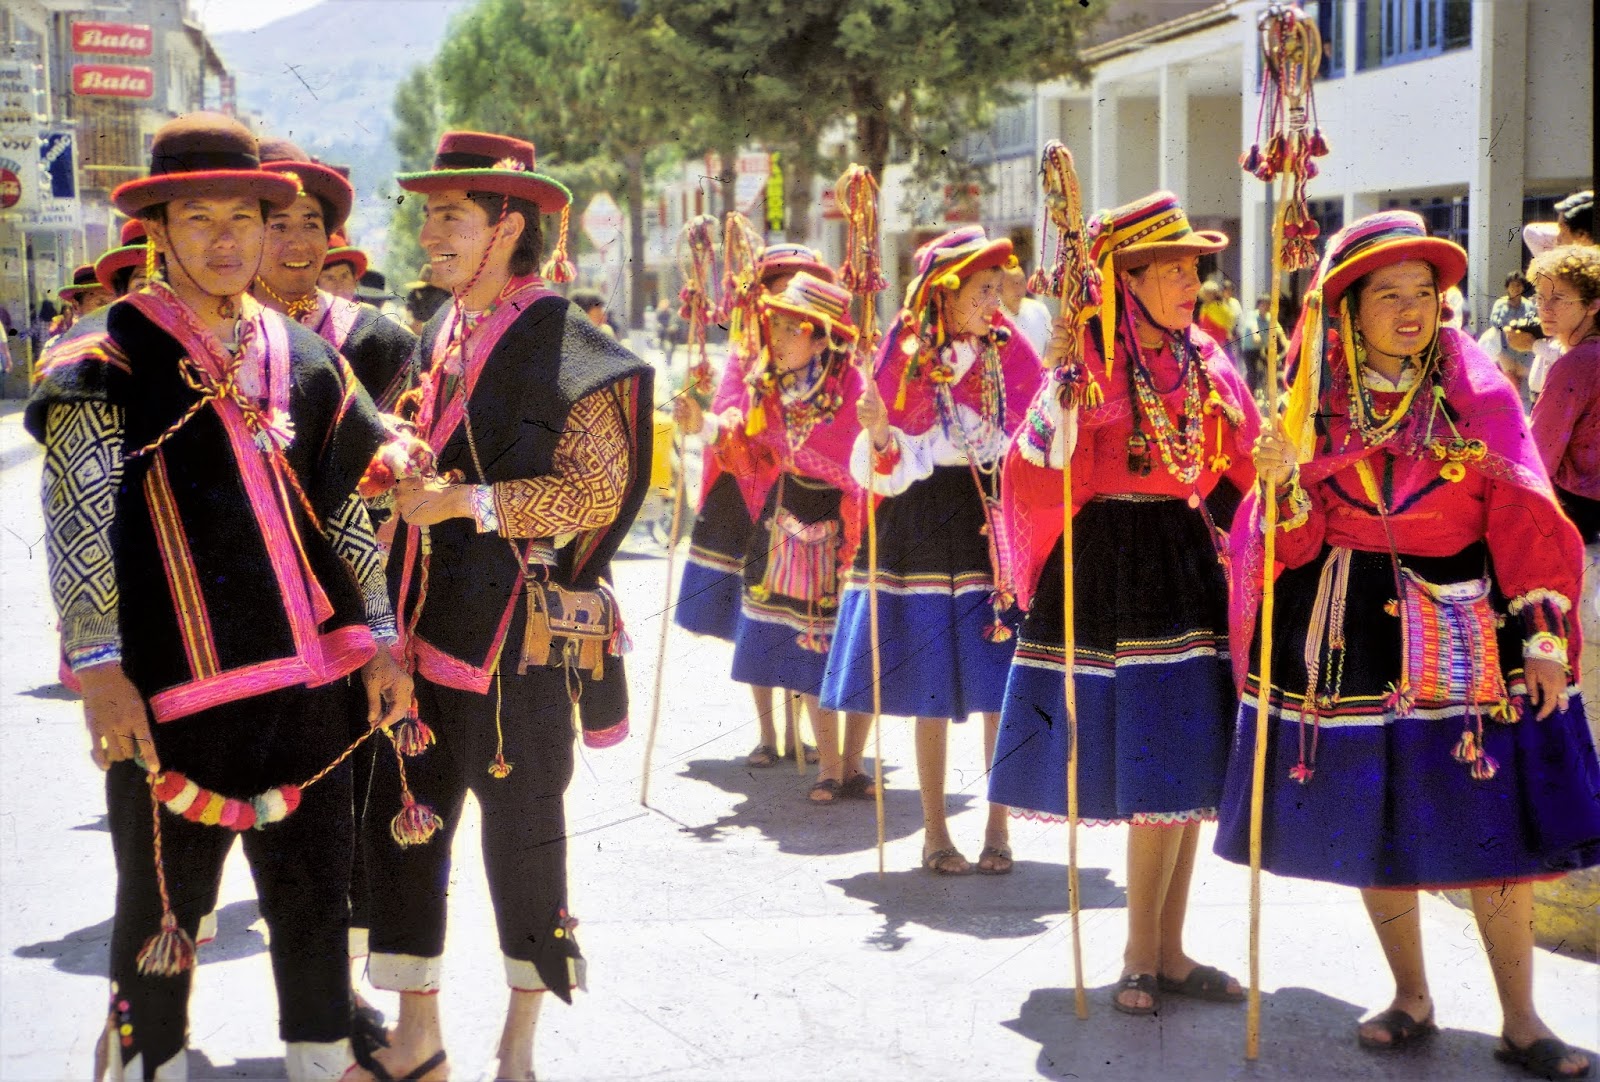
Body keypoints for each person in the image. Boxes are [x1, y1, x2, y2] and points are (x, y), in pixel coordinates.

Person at [27, 112, 412, 1082]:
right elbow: (76, 520)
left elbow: (349, 513)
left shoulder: (311, 359)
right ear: (159, 226)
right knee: (162, 917)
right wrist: (102, 670)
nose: (228, 239)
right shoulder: (103, 356)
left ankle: (324, 1060)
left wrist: (385, 638)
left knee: (317, 907)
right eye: (199, 218)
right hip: (170, 700)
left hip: (312, 692)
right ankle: (145, 1061)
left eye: (244, 216)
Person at [1215, 212, 1599, 1080]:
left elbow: (1526, 513)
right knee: (1375, 819)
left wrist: (1542, 636)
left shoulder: (1477, 389)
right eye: (1388, 294)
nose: (1412, 309)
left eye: (1423, 293)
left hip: (1470, 620)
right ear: (1347, 310)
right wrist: (1280, 489)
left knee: (1493, 825)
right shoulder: (1310, 406)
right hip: (1345, 630)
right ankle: (1411, 994)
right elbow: (1288, 545)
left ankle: (1523, 1018)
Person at [362, 130, 652, 1082]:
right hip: (415, 630)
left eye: (453, 216)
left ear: (508, 226)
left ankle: (518, 1049)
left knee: (523, 840)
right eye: (429, 213)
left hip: (512, 648)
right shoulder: (437, 332)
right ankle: (417, 1037)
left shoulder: (571, 344)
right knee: (408, 828)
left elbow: (594, 493)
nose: (432, 234)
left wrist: (469, 502)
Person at [989, 191, 1260, 1013]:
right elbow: (1032, 466)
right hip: (1110, 567)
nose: (1192, 282)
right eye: (1173, 270)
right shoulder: (1089, 361)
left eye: (1194, 268)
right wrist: (1065, 398)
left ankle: (1168, 951)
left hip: (1183, 561)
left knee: (1182, 768)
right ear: (1125, 278)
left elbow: (1243, 462)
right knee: (1153, 760)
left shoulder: (1205, 356)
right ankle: (1141, 954)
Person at [820, 226, 1042, 875]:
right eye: (980, 290)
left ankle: (999, 829)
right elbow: (879, 467)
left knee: (999, 686)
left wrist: (1060, 391)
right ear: (944, 295)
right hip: (918, 526)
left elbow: (1038, 435)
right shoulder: (910, 360)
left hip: (987, 525)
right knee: (931, 687)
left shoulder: (1011, 353)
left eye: (996, 289)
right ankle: (936, 834)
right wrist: (884, 433)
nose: (991, 301)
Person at [673, 272, 874, 801]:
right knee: (805, 650)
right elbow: (747, 445)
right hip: (786, 525)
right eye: (775, 327)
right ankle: (829, 767)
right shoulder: (770, 385)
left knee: (848, 647)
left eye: (789, 329)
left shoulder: (854, 389)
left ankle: (853, 765)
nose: (777, 339)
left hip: (846, 530)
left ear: (819, 335)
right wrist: (705, 425)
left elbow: (868, 468)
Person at [253, 139, 418, 411]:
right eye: (279, 226)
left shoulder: (375, 339)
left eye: (311, 224)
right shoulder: (221, 337)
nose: (298, 243)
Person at [1528, 244, 1600, 741]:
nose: (1545, 310)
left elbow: (1537, 455)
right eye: (1541, 297)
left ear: (1593, 304)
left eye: (1560, 300)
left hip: (1581, 524)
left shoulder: (1576, 365)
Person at [1528, 192, 1597, 400]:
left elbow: (1579, 357)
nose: (1556, 240)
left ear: (1582, 236)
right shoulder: (1564, 272)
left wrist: (1534, 344)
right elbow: (1532, 232)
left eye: (1562, 230)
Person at [1486, 270, 1537, 405]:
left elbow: (1534, 322)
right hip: (1505, 347)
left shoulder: (1529, 305)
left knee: (1522, 381)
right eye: (1512, 285)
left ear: (1523, 287)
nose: (1515, 288)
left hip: (1524, 350)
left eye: (1518, 285)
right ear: (1507, 287)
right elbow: (1494, 321)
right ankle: (1508, 407)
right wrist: (1507, 328)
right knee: (1510, 379)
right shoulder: (1500, 304)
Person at [1238, 294, 1288, 394]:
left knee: (1273, 367)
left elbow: (1279, 332)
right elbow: (1254, 327)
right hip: (1249, 349)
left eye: (1268, 305)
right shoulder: (1252, 315)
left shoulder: (1270, 318)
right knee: (1252, 374)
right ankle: (1250, 396)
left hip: (1262, 349)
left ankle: (1270, 392)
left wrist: (1285, 341)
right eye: (1263, 305)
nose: (1266, 307)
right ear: (1258, 305)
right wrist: (1256, 336)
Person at [1000, 260, 1052, 355]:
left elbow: (1050, 348)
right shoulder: (994, 316)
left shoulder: (1039, 310)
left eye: (1021, 282)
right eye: (1013, 283)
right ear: (1000, 287)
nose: (1018, 289)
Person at [320, 233, 367, 301]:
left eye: (344, 276)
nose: (339, 287)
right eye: (329, 278)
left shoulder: (366, 311)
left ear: (355, 281)